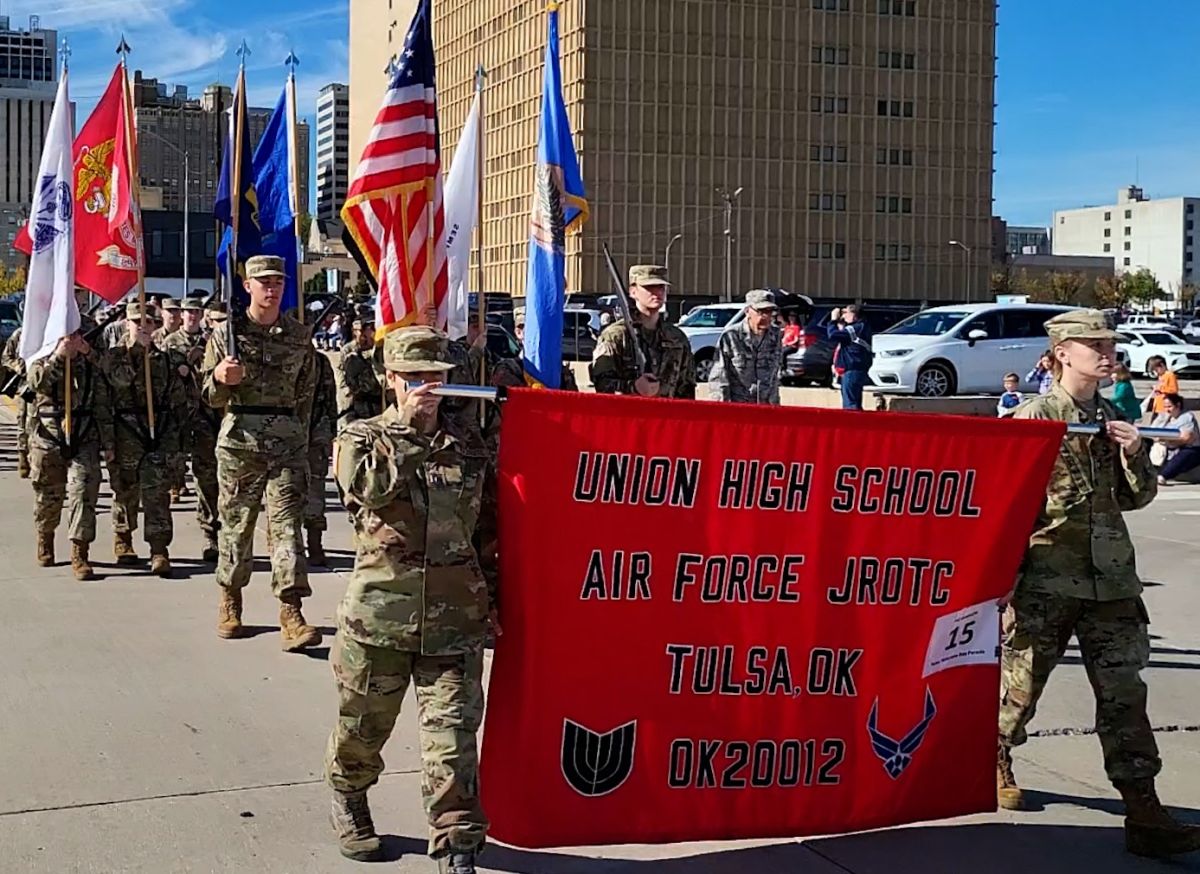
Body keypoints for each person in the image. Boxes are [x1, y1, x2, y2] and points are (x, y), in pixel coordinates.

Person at [999, 309, 1200, 859]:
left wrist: (1136, 453)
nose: (1109, 352)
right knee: (1022, 688)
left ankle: (1144, 810)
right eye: (1095, 344)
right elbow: (1007, 505)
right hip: (1047, 578)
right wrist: (1003, 580)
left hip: (1111, 583)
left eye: (1111, 343)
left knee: (1125, 699)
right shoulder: (1034, 417)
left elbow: (1135, 499)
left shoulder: (1112, 417)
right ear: (1063, 352)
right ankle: (996, 756)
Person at [325, 327, 497, 874]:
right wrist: (408, 426)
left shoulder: (470, 444)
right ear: (391, 380)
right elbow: (367, 490)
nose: (427, 387)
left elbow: (489, 527)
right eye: (415, 377)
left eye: (436, 378)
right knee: (363, 730)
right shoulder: (363, 438)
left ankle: (456, 845)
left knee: (452, 743)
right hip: (381, 617)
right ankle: (349, 797)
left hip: (455, 621)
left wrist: (495, 598)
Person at [201, 255, 321, 651]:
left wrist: (299, 435)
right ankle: (230, 600)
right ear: (248, 286)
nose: (272, 289)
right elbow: (207, 395)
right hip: (241, 444)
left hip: (286, 444)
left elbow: (307, 393)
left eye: (278, 282)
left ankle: (291, 610)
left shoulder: (300, 336)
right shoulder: (227, 334)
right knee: (236, 527)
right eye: (263, 282)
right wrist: (221, 379)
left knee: (287, 528)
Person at [98, 302, 192, 577]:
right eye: (136, 321)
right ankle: (123, 538)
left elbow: (179, 402)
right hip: (126, 430)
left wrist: (177, 442)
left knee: (157, 493)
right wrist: (108, 443)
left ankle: (159, 549)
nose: (142, 326)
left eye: (148, 322)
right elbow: (118, 384)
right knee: (125, 490)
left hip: (158, 432)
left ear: (156, 326)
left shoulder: (165, 359)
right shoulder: (115, 357)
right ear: (126, 323)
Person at [26, 330, 107, 580]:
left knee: (83, 493)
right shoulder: (42, 353)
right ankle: (45, 536)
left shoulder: (91, 355)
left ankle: (80, 551)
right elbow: (38, 383)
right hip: (48, 437)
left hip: (84, 435)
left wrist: (109, 440)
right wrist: (60, 356)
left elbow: (106, 391)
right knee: (48, 495)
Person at [164, 298, 222, 562]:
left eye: (196, 312)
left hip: (210, 416)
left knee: (214, 476)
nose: (191, 316)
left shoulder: (212, 341)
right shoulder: (169, 343)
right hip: (181, 417)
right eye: (187, 312)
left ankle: (217, 533)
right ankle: (205, 532)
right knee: (186, 474)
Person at [591, 265, 696, 399]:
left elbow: (686, 388)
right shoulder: (616, 336)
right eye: (649, 287)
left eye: (661, 287)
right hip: (629, 416)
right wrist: (633, 387)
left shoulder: (677, 338)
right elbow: (602, 385)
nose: (657, 292)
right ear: (633, 291)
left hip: (666, 417)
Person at [708, 289, 783, 404]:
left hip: (767, 407)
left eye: (770, 312)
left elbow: (775, 376)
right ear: (747, 311)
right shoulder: (731, 336)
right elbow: (719, 378)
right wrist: (722, 410)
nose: (765, 317)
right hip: (739, 407)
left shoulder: (776, 335)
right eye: (760, 311)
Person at [306, 349, 338, 566]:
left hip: (316, 430)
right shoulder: (280, 354)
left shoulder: (320, 361)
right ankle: (285, 546)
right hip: (283, 433)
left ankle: (315, 542)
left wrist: (331, 431)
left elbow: (329, 397)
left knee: (315, 489)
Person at [337, 316, 385, 426]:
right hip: (356, 396)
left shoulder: (377, 347)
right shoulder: (349, 349)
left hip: (375, 396)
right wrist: (344, 387)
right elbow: (341, 369)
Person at [826, 304, 873, 410]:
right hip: (857, 369)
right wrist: (841, 325)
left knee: (850, 405)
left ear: (854, 315)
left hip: (852, 370)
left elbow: (832, 335)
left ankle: (853, 425)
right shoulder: (862, 326)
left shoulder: (854, 329)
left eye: (846, 313)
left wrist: (833, 320)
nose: (844, 315)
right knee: (854, 401)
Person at [1151, 393, 1200, 485]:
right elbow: (1152, 431)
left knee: (1186, 453)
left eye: (1169, 406)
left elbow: (1187, 438)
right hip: (1166, 446)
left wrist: (1169, 441)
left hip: (1190, 449)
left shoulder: (1187, 417)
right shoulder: (1164, 416)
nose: (1167, 410)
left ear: (1178, 405)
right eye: (1165, 407)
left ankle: (1163, 476)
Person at [3, 326, 32, 478]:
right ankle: (23, 455)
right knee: (23, 423)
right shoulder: (20, 334)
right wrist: (16, 366)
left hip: (45, 386)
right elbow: (6, 358)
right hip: (24, 387)